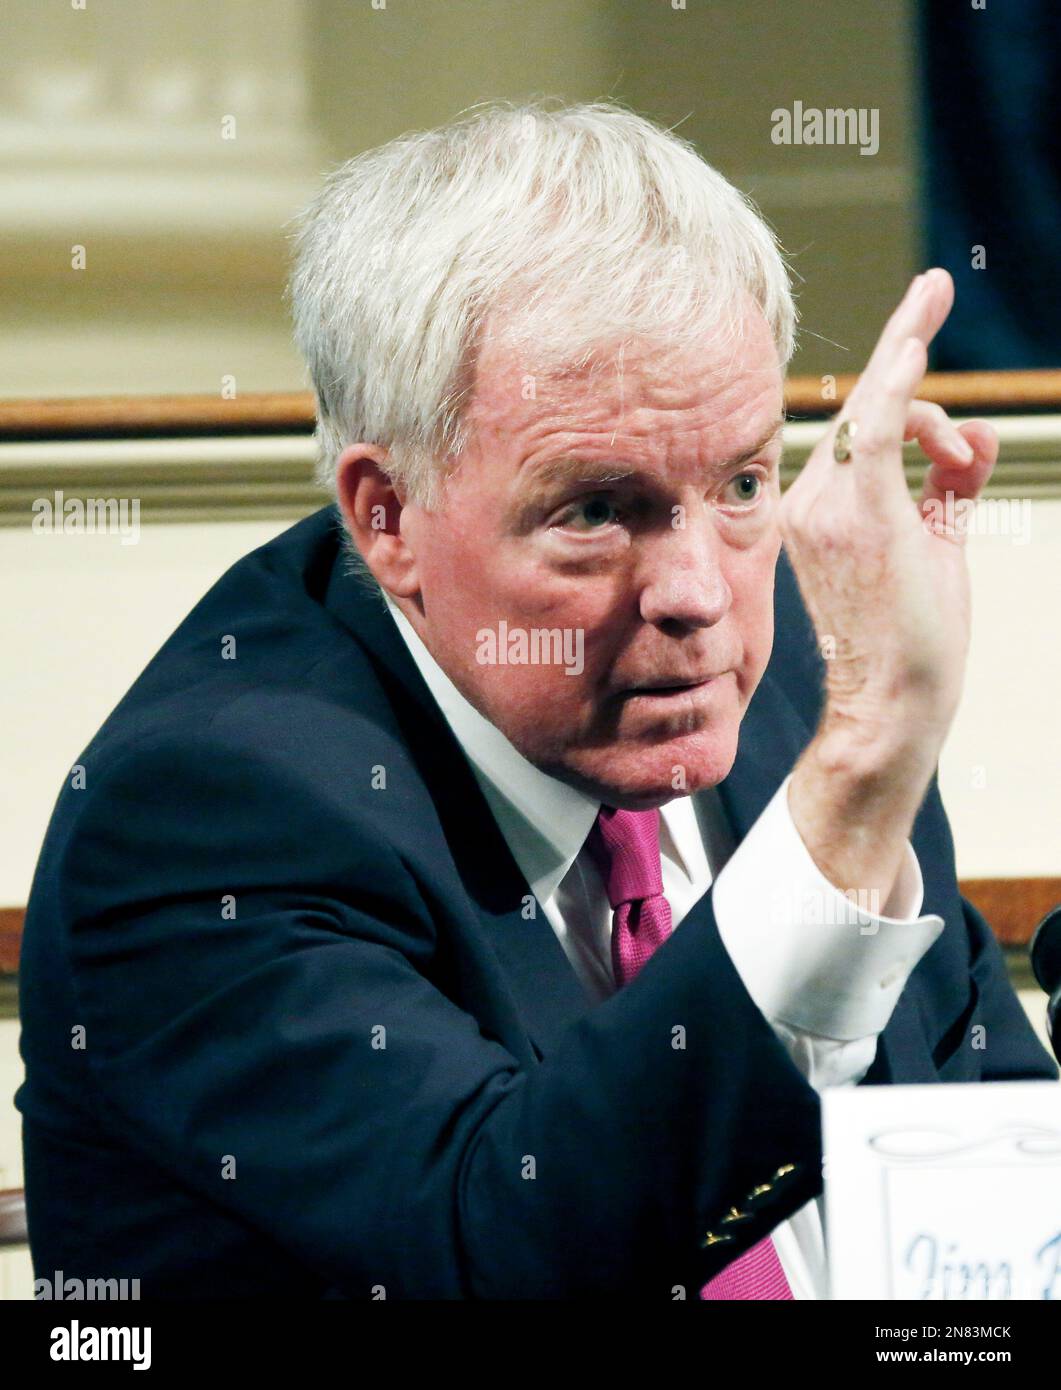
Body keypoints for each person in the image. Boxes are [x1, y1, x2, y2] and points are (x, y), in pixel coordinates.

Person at [16, 100, 1056, 1300]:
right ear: (387, 516)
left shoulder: (791, 696)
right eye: (596, 510)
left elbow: (985, 1175)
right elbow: (510, 1245)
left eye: (739, 481)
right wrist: (867, 760)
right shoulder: (206, 816)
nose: (696, 593)